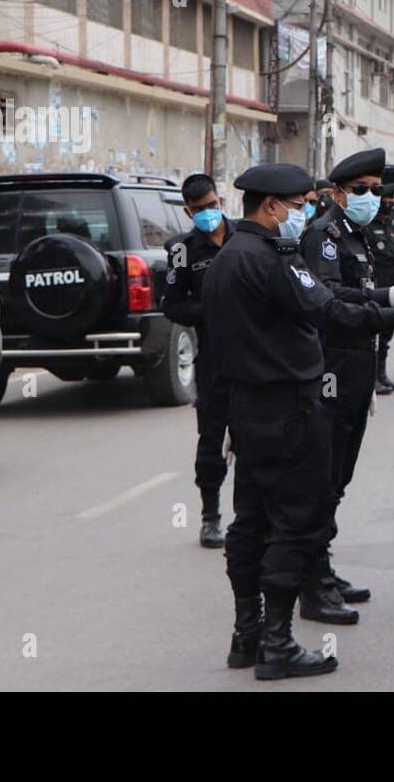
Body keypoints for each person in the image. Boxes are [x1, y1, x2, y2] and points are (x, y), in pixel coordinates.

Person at [201, 162, 394, 680]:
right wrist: (392, 315)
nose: (303, 213)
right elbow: (328, 310)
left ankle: (247, 634)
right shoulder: (273, 259)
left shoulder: (227, 258)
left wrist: (382, 300)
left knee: (251, 523)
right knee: (297, 522)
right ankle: (279, 643)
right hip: (289, 409)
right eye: (298, 205)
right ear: (271, 206)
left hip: (246, 411)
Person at [300, 148, 394, 623]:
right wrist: (390, 307)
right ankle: (312, 585)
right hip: (331, 369)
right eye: (361, 191)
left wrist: (384, 297)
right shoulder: (324, 235)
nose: (371, 198)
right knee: (323, 477)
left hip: (354, 369)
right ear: (337, 193)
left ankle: (323, 569)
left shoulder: (355, 234)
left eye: (376, 190)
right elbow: (329, 300)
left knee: (339, 479)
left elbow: (354, 293)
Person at [162, 174, 234, 548]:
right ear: (189, 211)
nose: (209, 214)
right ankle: (210, 516)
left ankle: (255, 516)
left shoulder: (246, 237)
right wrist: (209, 311)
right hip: (214, 360)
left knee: (258, 437)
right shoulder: (181, 249)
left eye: (213, 206)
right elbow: (171, 304)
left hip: (256, 356)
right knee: (211, 439)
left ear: (220, 200)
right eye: (200, 210)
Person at [367, 187, 394, 396]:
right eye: (385, 201)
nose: (389, 205)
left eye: (392, 202)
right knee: (376, 335)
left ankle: (382, 375)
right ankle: (373, 378)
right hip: (378, 286)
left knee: (387, 334)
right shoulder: (367, 227)